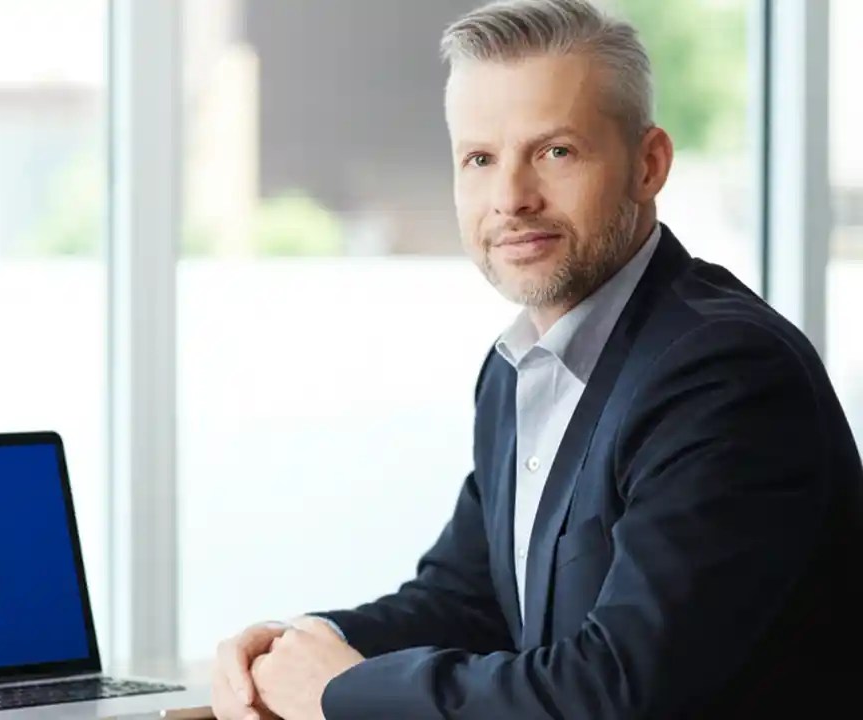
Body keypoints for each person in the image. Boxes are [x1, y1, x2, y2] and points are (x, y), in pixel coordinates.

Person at [209, 0, 863, 718]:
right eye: (480, 159)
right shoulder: (521, 368)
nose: (511, 199)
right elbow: (471, 599)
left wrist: (338, 694)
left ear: (649, 165)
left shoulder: (724, 374)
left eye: (554, 151)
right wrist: (302, 645)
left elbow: (616, 691)